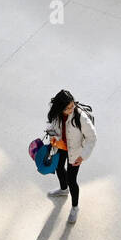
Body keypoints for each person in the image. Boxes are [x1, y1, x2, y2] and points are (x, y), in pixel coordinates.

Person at [44, 90, 96, 225]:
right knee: (59, 168)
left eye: (73, 105)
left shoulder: (81, 117)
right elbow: (51, 126)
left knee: (72, 180)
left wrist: (83, 155)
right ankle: (63, 189)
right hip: (61, 147)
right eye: (68, 107)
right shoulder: (56, 114)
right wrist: (53, 137)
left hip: (76, 153)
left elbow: (92, 138)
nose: (72, 109)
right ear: (60, 107)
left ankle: (75, 207)